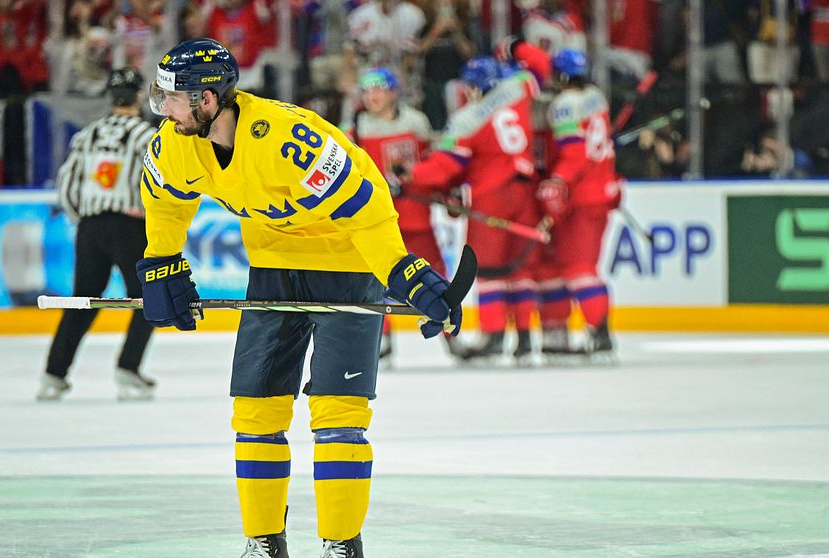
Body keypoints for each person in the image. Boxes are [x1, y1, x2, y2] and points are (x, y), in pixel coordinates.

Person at [138, 38, 461, 558]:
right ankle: (263, 542)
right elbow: (164, 199)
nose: (164, 109)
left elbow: (365, 204)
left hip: (347, 262)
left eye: (172, 98)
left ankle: (341, 545)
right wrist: (161, 260)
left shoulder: (288, 139)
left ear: (207, 99)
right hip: (274, 267)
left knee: (338, 415)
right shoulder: (175, 143)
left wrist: (399, 267)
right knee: (255, 410)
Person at [403, 56, 542, 363]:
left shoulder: (469, 117)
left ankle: (493, 336)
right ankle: (526, 339)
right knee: (520, 270)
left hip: (492, 195)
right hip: (526, 191)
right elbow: (539, 69)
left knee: (489, 269)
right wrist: (516, 48)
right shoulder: (517, 90)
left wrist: (410, 175)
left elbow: (444, 165)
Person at [37, 68, 158, 402]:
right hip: (129, 225)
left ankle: (53, 375)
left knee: (83, 300)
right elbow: (155, 183)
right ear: (139, 96)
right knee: (149, 299)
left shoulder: (86, 135)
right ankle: (128, 369)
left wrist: (84, 219)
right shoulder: (147, 136)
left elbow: (67, 184)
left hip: (90, 227)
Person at [343, 67, 444, 360]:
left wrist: (437, 188)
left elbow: (431, 162)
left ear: (394, 92)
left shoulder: (416, 121)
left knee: (434, 271)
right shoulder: (354, 128)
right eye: (367, 90)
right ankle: (379, 339)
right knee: (375, 278)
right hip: (376, 217)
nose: (372, 96)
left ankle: (450, 329)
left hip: (415, 213)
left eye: (379, 89)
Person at [533, 49, 622, 357]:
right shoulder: (596, 97)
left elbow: (574, 152)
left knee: (579, 269)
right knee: (573, 266)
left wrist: (558, 181)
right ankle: (593, 333)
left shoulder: (565, 104)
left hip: (581, 196)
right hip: (602, 190)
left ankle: (600, 335)